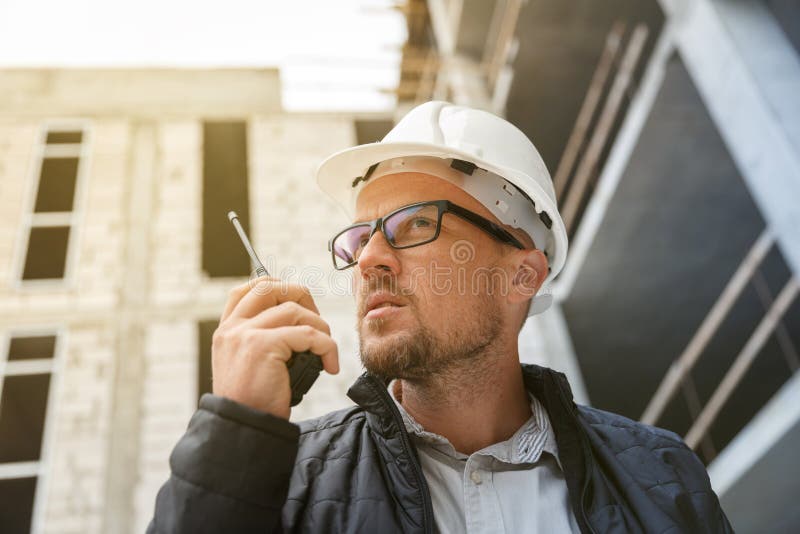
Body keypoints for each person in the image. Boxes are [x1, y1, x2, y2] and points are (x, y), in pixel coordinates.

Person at [147, 101, 733, 533]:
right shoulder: (284, 483)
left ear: (522, 275)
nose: (368, 259)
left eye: (412, 225)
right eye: (358, 238)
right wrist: (235, 438)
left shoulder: (661, 474)